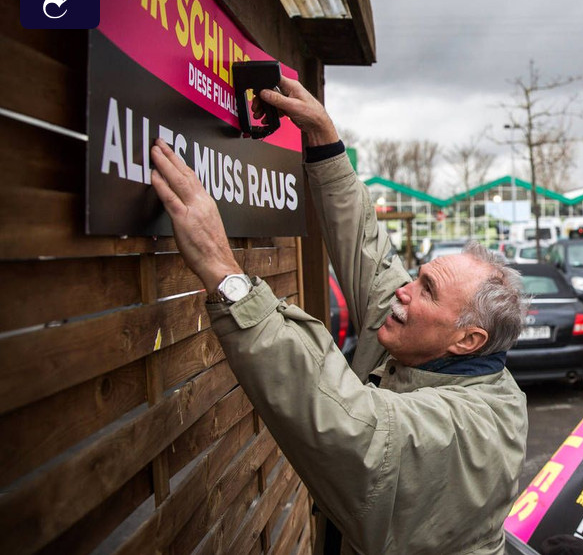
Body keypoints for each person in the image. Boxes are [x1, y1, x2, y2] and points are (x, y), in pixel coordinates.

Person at [148, 75, 529, 555]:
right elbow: (372, 255)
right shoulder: (428, 344)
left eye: (427, 290)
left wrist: (225, 275)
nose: (403, 291)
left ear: (467, 340)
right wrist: (325, 142)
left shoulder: (474, 428)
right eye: (418, 277)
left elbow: (348, 422)